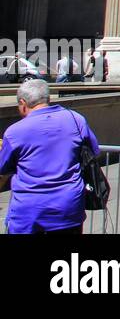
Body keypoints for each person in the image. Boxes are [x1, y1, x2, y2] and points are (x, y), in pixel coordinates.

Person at [0, 79, 101, 234]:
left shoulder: (15, 132)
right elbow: (93, 151)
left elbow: (4, 166)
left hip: (30, 212)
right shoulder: (75, 119)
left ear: (23, 103)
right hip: (68, 207)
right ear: (48, 99)